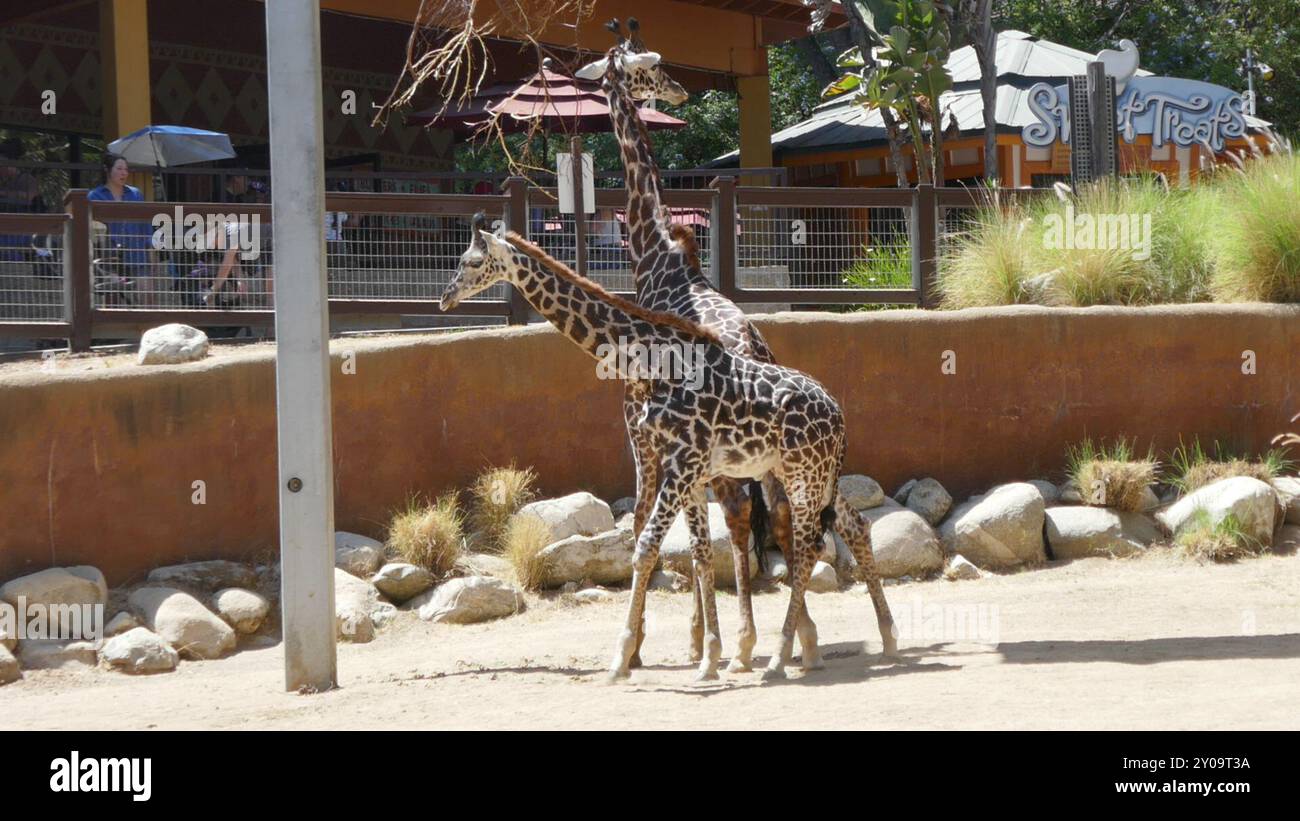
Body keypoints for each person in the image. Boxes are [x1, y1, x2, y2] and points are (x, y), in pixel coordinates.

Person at [88, 153, 154, 297]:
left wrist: (150, 250)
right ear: (107, 169)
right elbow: (91, 229)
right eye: (119, 168)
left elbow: (146, 224)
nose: (124, 173)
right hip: (109, 256)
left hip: (137, 253)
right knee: (113, 299)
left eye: (126, 169)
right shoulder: (94, 196)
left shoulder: (136, 194)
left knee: (147, 296)